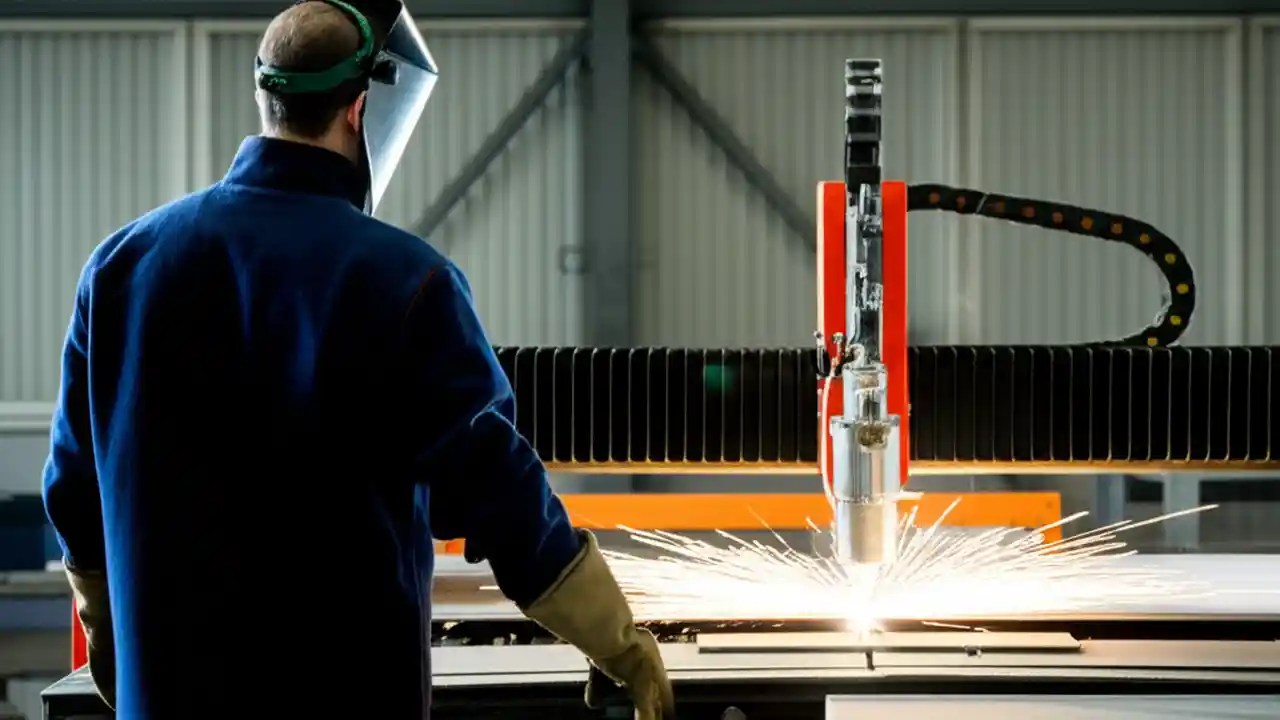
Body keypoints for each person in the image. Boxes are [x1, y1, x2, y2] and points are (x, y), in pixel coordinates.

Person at [40, 1, 674, 718]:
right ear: (359, 109)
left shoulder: (123, 268)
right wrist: (616, 643)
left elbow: (71, 492)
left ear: (265, 98)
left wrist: (113, 643)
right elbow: (499, 487)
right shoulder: (406, 280)